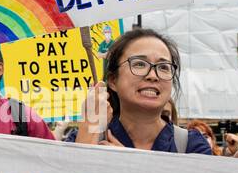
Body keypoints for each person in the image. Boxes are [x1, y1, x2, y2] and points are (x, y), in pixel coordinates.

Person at [65, 28, 212, 154]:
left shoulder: (192, 146)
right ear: (112, 80)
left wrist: (129, 163)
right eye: (139, 64)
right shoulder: (82, 139)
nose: (153, 76)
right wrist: (90, 131)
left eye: (163, 67)